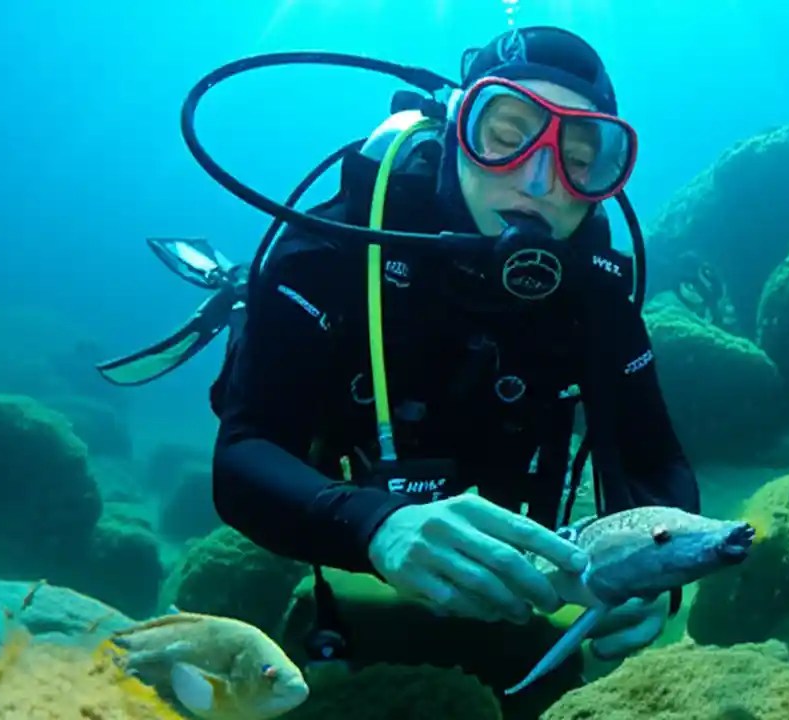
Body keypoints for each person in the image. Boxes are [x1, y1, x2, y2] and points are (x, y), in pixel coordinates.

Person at [208, 25, 700, 666]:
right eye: (505, 137)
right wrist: (373, 525)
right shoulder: (336, 249)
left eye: (579, 160)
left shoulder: (592, 289)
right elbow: (243, 456)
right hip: (351, 526)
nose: (540, 180)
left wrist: (658, 578)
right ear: (457, 131)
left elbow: (653, 458)